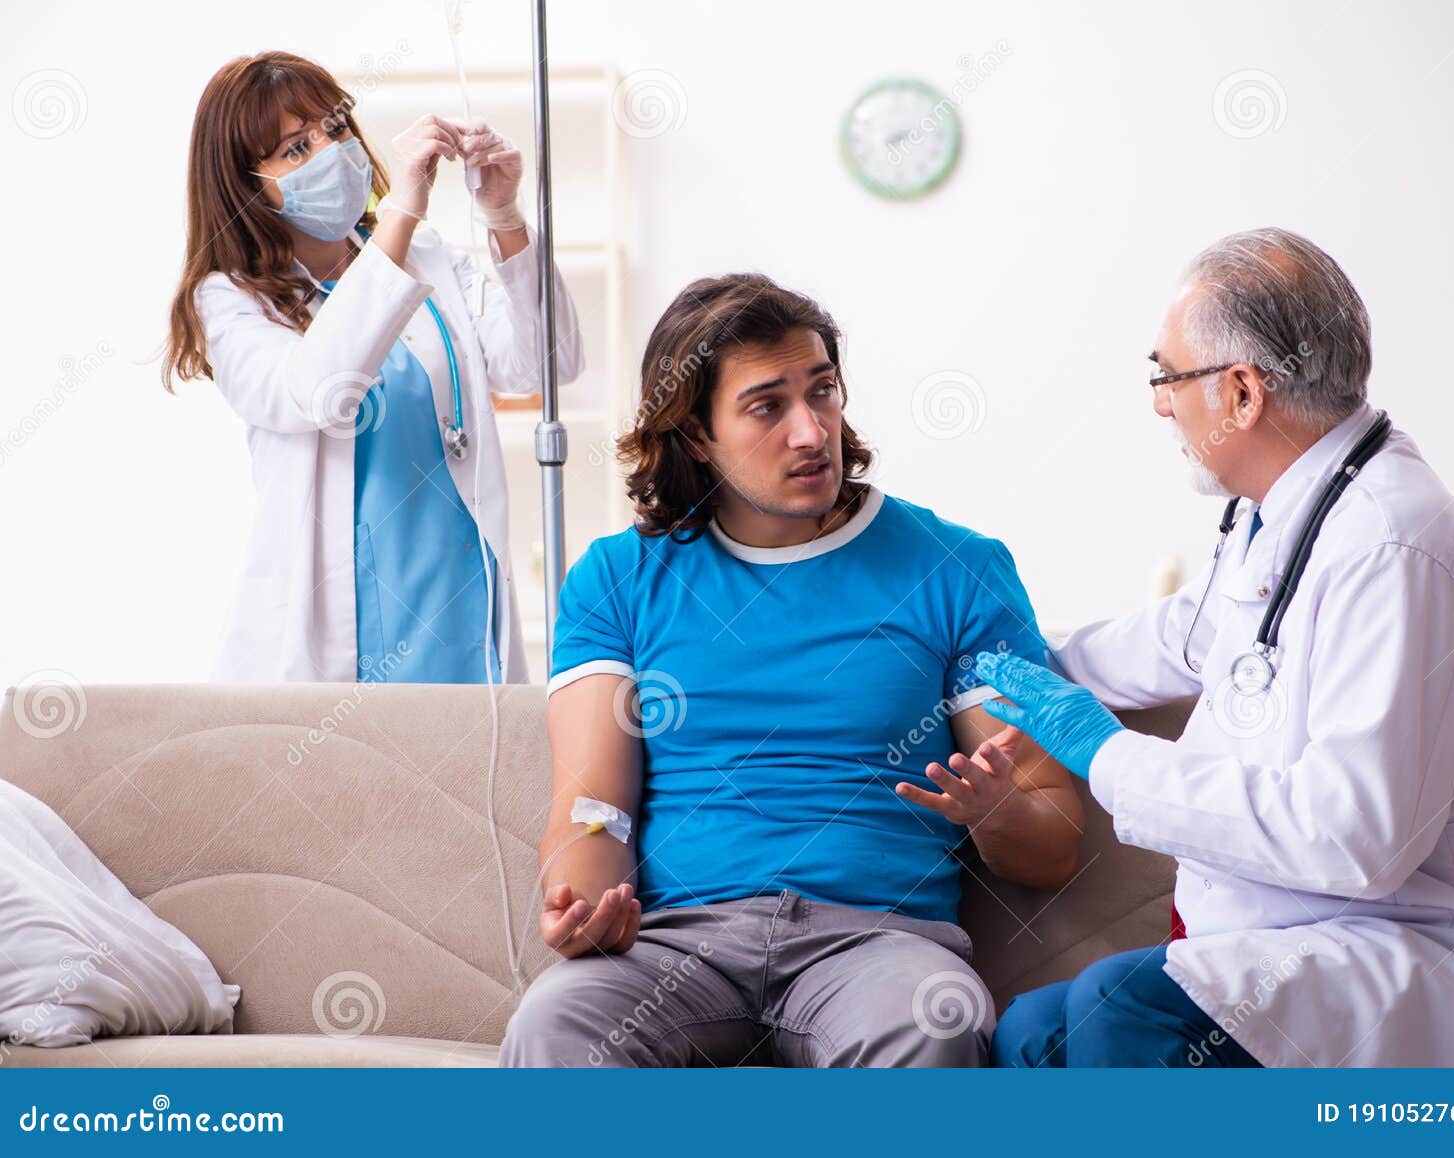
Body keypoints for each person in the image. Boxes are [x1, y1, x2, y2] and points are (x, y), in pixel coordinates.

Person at [984, 227, 1454, 1068]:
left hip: (1450, 946)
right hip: (1334, 935)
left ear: (1242, 394)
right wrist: (1006, 654)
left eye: (1167, 376)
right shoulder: (1293, 514)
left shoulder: (1392, 545)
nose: (1161, 402)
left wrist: (1107, 756)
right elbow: (1190, 634)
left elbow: (1358, 839)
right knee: (1029, 1033)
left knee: (1115, 1015)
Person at [497, 273, 1083, 1067]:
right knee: (555, 1023)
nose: (812, 431)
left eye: (824, 392)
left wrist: (994, 808)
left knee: (931, 1023)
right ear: (696, 433)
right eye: (767, 406)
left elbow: (1051, 847)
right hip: (676, 949)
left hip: (877, 945)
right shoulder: (618, 578)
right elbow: (595, 804)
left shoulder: (958, 567)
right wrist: (586, 899)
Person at [162, 51, 584, 683]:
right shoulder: (231, 300)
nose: (329, 152)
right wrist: (402, 214)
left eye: (333, 129)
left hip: (461, 602)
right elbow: (317, 393)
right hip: (343, 635)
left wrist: (504, 216)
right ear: (245, 186)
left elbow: (547, 363)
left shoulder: (430, 261)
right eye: (294, 148)